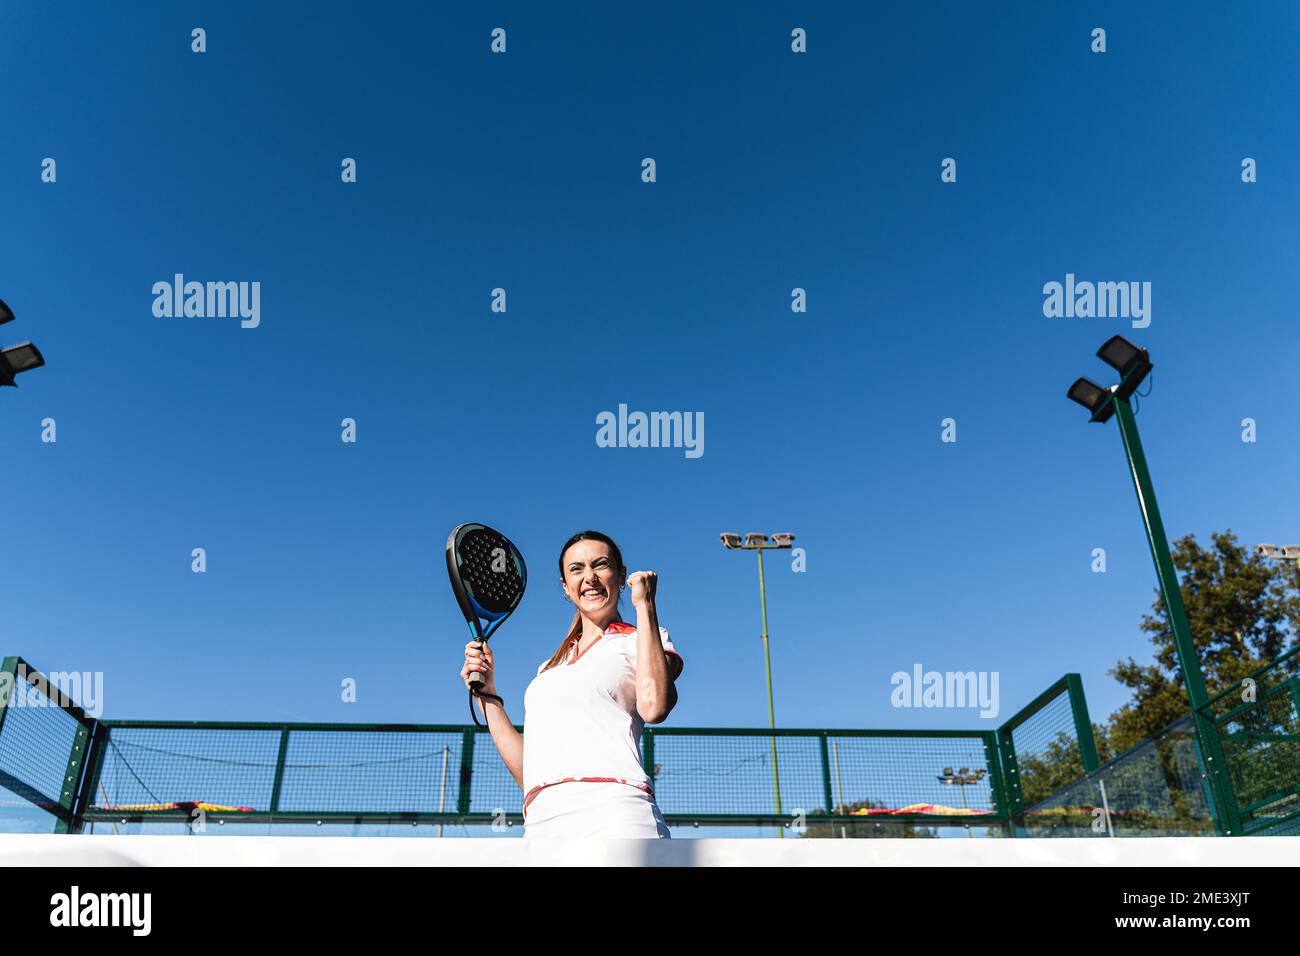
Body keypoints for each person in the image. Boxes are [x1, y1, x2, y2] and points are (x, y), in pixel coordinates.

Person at [460, 530, 683, 837]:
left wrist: (645, 604)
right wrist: (487, 696)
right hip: (542, 822)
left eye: (600, 565)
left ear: (621, 576)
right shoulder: (548, 669)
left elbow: (655, 706)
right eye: (577, 569)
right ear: (566, 587)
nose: (589, 577)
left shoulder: (642, 638)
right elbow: (530, 772)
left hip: (618, 814)